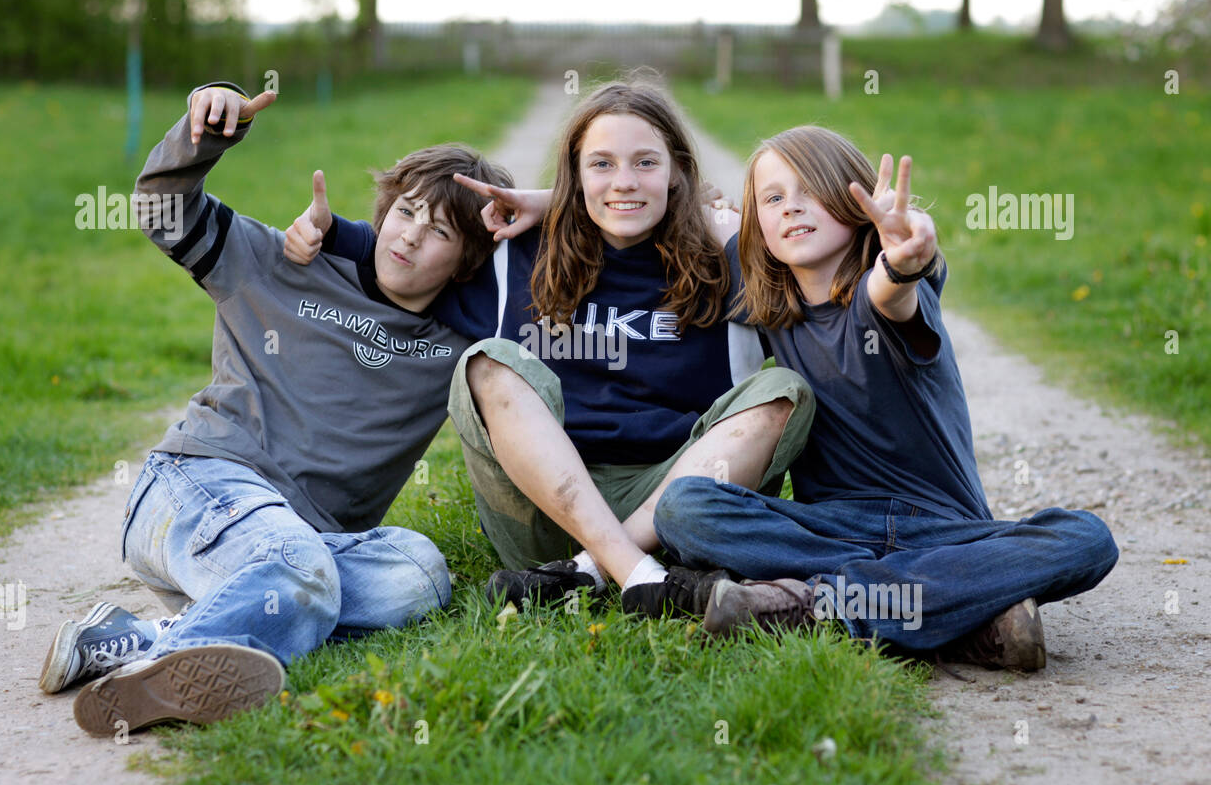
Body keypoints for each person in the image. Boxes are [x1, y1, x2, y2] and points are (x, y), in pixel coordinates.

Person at [43, 81, 515, 735]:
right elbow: (160, 211)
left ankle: (145, 639)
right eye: (405, 212)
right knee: (303, 564)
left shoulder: (457, 348)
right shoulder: (283, 261)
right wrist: (205, 131)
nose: (409, 237)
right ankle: (165, 668)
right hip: (196, 485)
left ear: (468, 262)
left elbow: (561, 286)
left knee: (420, 574)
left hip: (308, 536)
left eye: (438, 232)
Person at [302, 78, 816, 617]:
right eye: (601, 164)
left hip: (681, 505)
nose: (625, 182)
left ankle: (595, 571)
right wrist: (328, 231)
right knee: (487, 362)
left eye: (645, 163)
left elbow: (833, 286)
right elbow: (406, 262)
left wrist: (906, 265)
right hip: (544, 516)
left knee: (785, 389)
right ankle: (638, 571)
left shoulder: (731, 260)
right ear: (573, 174)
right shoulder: (514, 258)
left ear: (678, 172)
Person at [651, 125, 1118, 669]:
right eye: (773, 199)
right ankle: (957, 616)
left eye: (812, 192)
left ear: (859, 205)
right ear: (759, 228)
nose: (791, 209)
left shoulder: (886, 291)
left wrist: (904, 260)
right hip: (830, 525)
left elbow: (893, 290)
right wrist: (550, 203)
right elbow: (644, 206)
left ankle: (815, 600)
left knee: (1087, 538)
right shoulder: (764, 291)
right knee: (685, 507)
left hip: (944, 531)